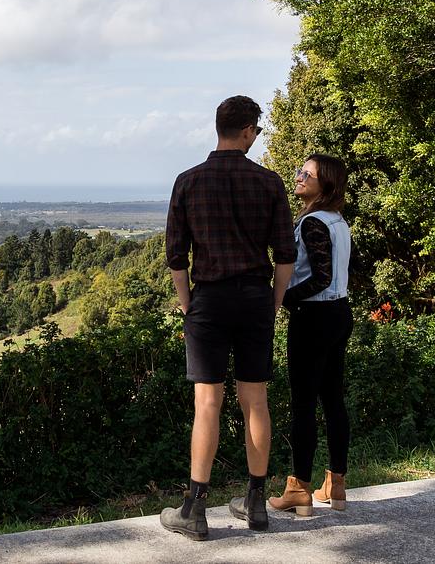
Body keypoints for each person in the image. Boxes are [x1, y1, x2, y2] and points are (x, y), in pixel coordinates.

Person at [159, 96, 296, 539]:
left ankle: (195, 510)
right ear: (248, 131)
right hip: (255, 297)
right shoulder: (269, 182)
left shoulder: (188, 181)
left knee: (207, 403)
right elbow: (285, 254)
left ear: (218, 127)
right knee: (255, 399)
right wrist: (272, 302)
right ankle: (256, 503)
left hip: (209, 301)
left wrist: (187, 304)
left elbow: (176, 256)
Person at [267, 153, 353, 517]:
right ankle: (336, 485)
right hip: (339, 312)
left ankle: (299, 488)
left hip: (313, 316)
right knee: (333, 398)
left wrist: (279, 298)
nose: (299, 176)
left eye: (308, 174)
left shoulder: (313, 223)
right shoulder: (338, 221)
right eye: (301, 170)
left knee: (303, 404)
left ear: (325, 185)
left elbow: (318, 277)